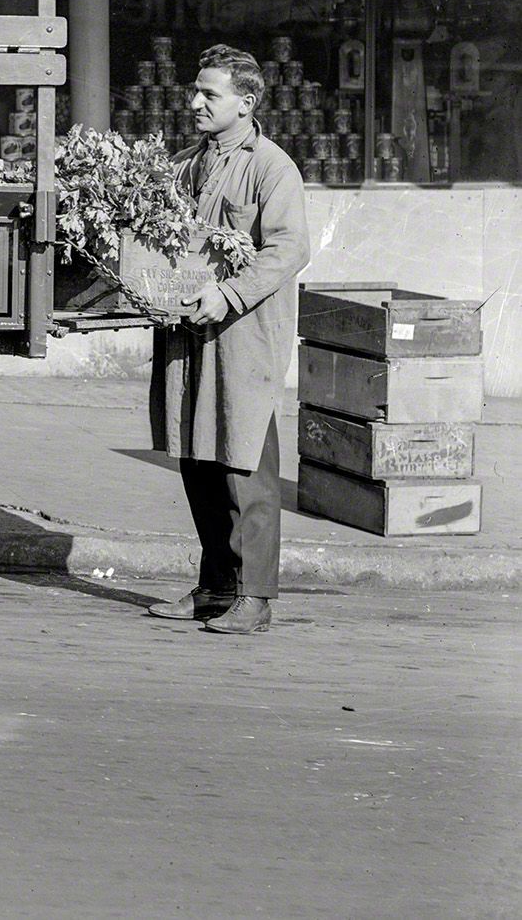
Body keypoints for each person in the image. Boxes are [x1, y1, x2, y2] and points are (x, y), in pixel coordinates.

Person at [148, 44, 311, 635]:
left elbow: (290, 248)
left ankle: (256, 596)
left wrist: (230, 294)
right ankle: (215, 587)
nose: (194, 102)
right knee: (198, 459)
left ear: (245, 102)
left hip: (243, 337)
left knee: (245, 467)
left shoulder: (272, 166)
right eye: (195, 90)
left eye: (209, 94)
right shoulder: (189, 164)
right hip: (191, 336)